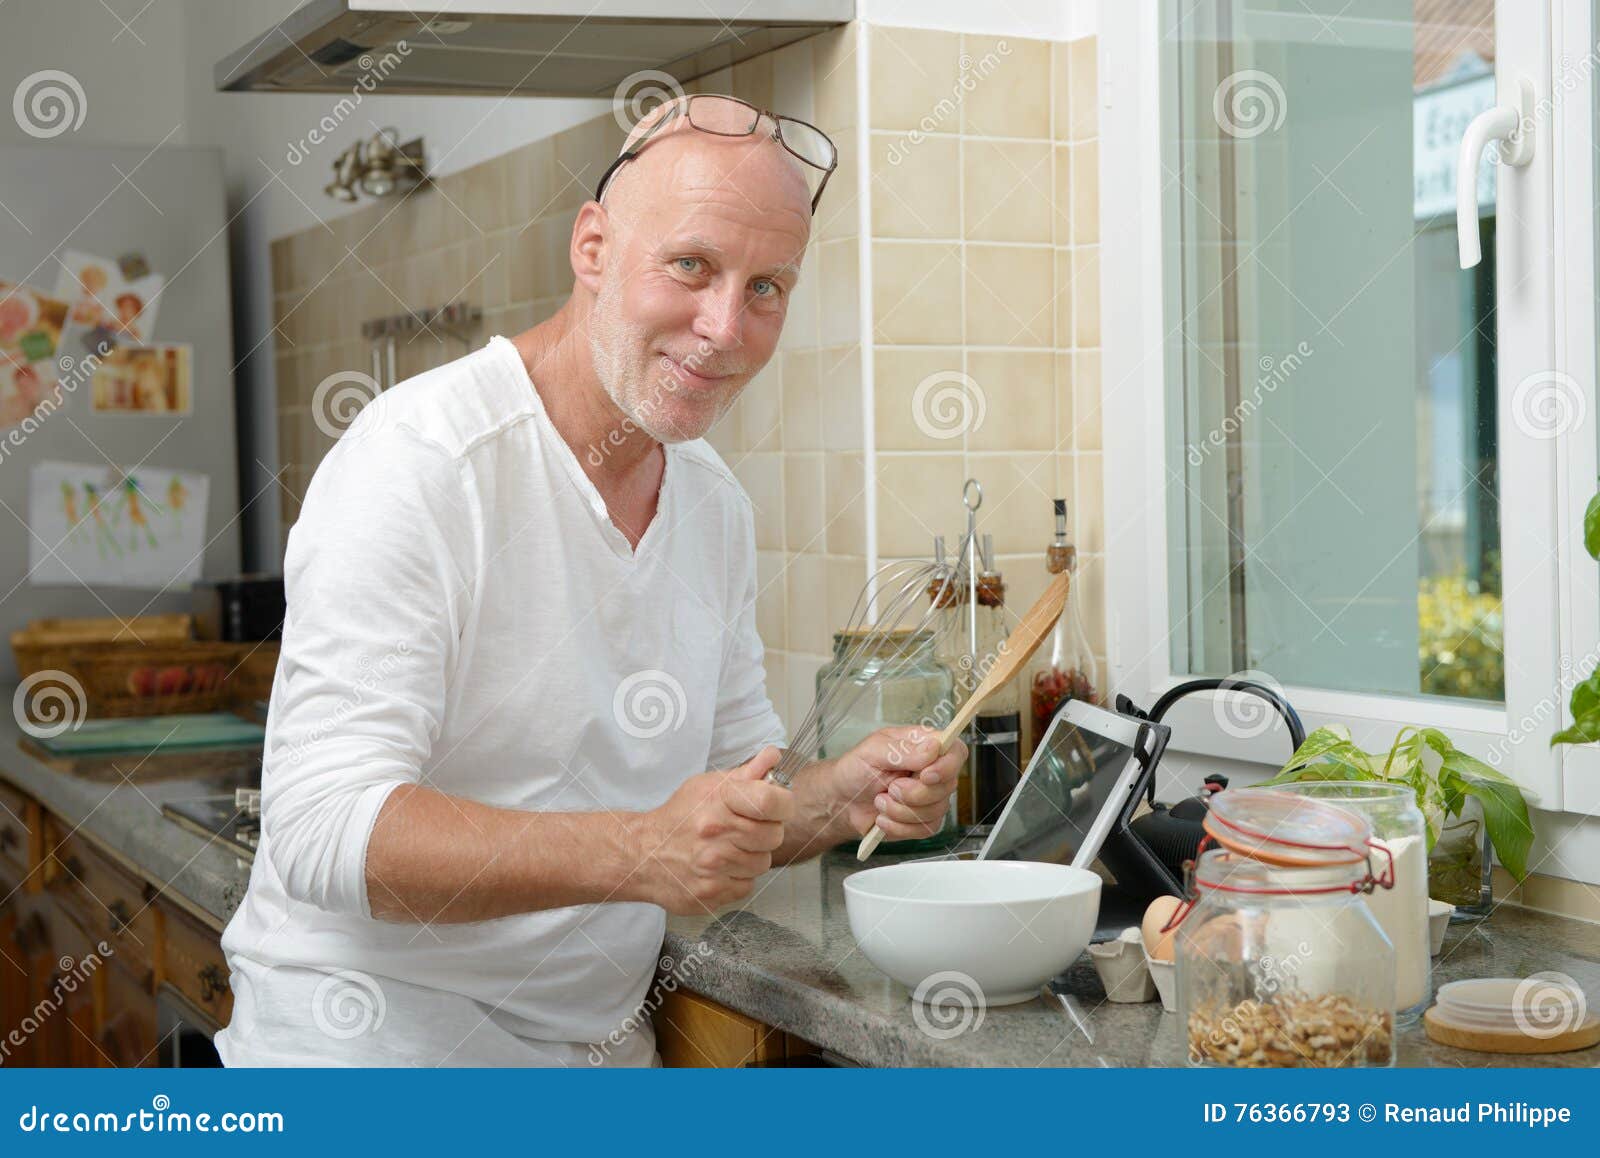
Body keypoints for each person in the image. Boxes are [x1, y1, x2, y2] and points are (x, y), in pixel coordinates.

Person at [215, 96, 965, 1067]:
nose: (724, 327)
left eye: (767, 286)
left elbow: (732, 792)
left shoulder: (712, 505)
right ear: (594, 248)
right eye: (690, 265)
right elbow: (320, 830)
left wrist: (841, 797)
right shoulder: (422, 461)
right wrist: (640, 851)